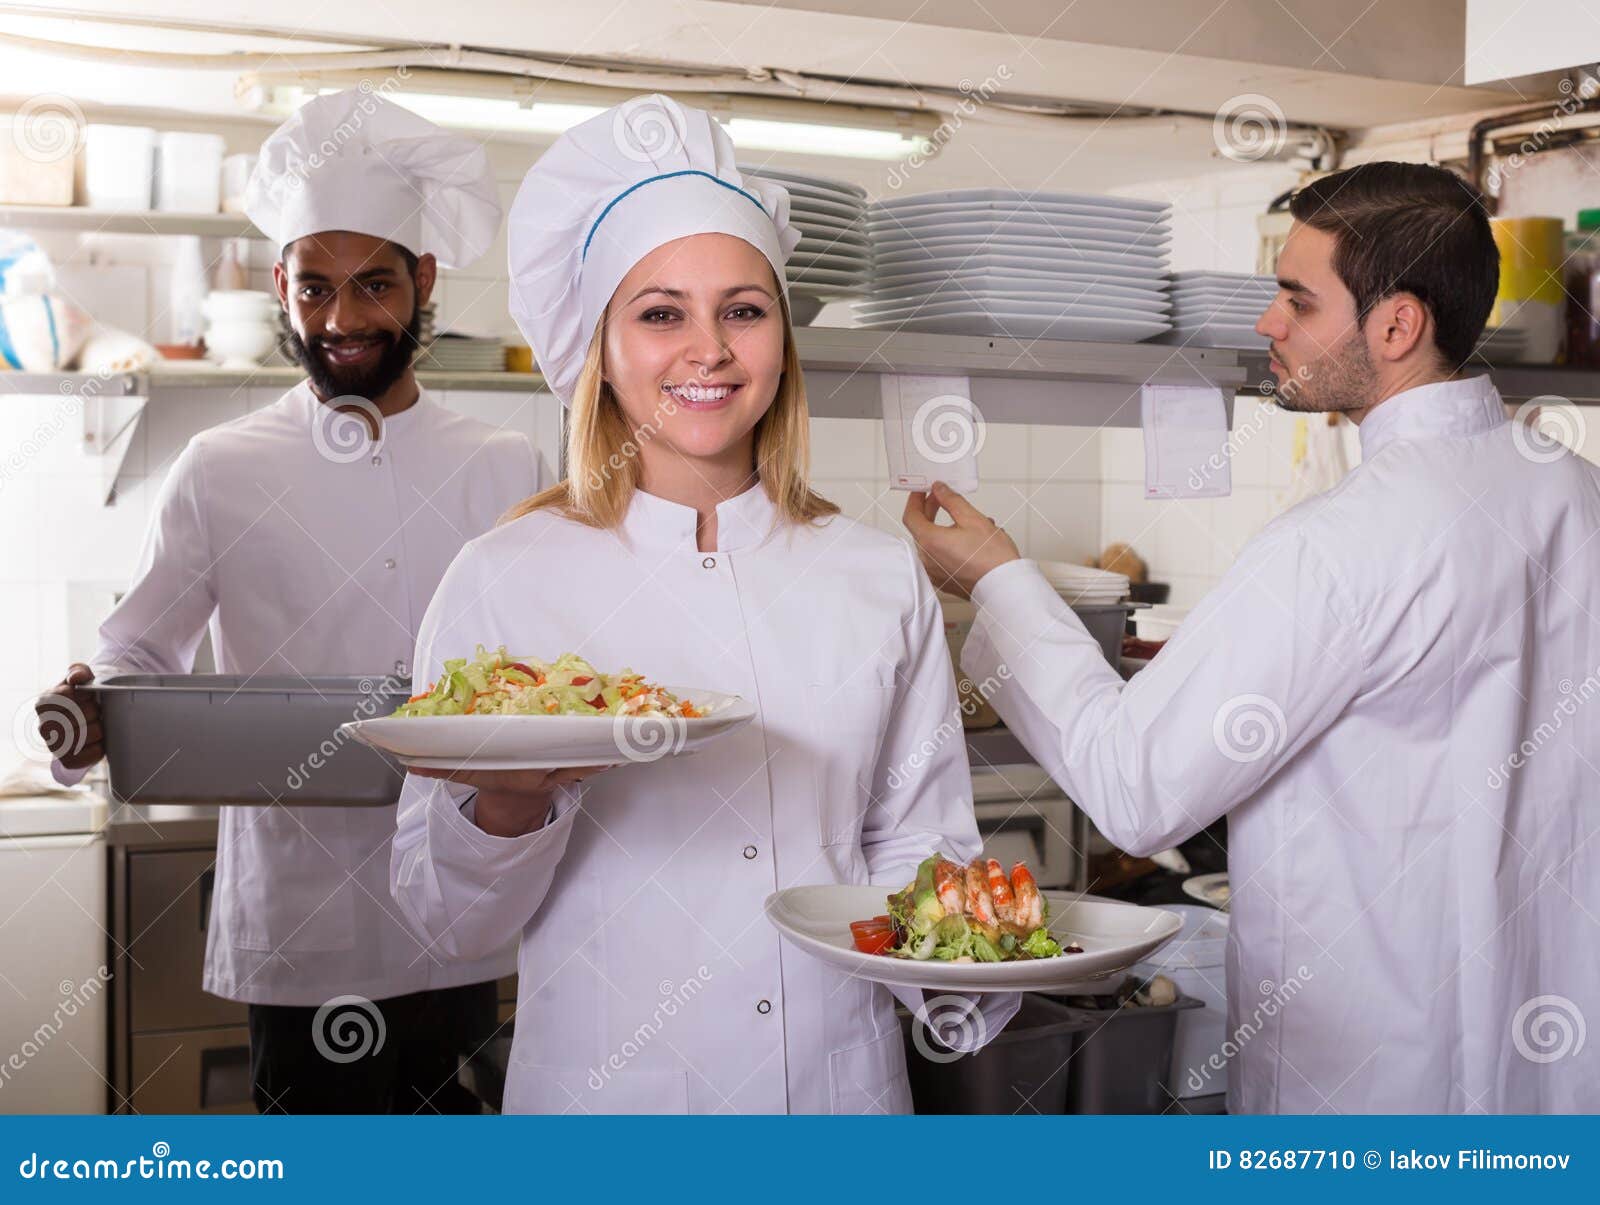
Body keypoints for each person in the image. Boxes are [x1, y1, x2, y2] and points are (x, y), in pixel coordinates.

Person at [906, 161, 1600, 1113]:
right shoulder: (1577, 493)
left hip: (1371, 1092)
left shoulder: (1335, 543)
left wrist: (997, 580)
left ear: (1397, 326)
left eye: (1298, 300)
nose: (1269, 323)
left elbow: (1135, 784)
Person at [388, 94, 1019, 1114]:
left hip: (838, 1097)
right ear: (600, 348)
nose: (709, 348)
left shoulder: (875, 573)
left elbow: (918, 844)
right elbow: (447, 925)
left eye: (743, 309)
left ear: (781, 338)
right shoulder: (506, 575)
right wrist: (508, 804)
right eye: (660, 312)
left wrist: (967, 976)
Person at [39, 89, 550, 1113]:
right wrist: (92, 712)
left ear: (424, 281)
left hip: (464, 907)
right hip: (302, 926)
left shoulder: (505, 467)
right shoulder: (219, 469)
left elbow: (546, 672)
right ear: (280, 285)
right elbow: (138, 653)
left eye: (374, 285)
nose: (342, 320)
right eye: (314, 287)